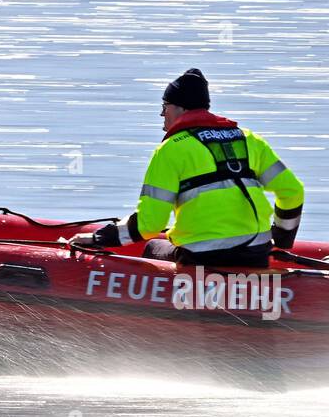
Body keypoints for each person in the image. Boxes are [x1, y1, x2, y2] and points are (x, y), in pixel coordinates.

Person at [72, 68, 303, 268]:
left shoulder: (171, 150)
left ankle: (156, 311)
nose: (162, 115)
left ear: (180, 108)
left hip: (203, 259)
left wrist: (100, 238)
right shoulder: (249, 140)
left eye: (165, 107)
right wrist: (281, 240)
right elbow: (292, 191)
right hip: (256, 256)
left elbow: (151, 224)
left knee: (154, 246)